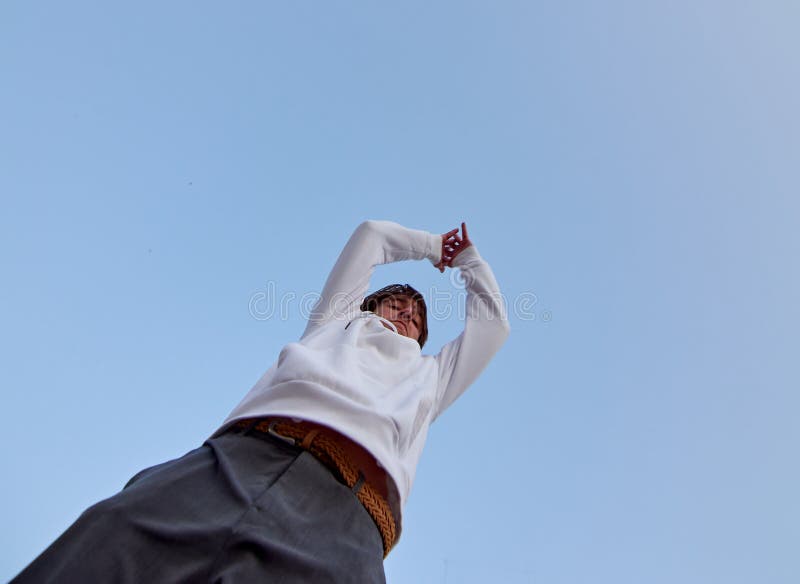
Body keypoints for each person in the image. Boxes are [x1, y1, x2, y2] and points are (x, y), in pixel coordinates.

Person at [13, 219, 509, 583]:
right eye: (395, 301)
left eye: (415, 315)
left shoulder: (431, 375)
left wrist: (469, 262)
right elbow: (372, 238)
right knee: (103, 544)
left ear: (421, 336)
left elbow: (493, 324)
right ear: (369, 306)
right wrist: (432, 248)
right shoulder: (335, 323)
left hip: (348, 515)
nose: (404, 311)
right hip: (235, 462)